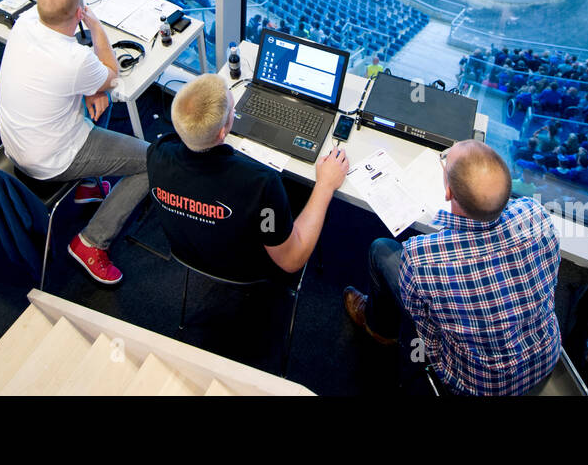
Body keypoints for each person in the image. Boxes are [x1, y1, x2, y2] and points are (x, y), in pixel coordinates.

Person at [344, 139, 561, 396]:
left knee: (381, 249)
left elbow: (425, 328)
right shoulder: (536, 214)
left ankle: (379, 329)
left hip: (477, 386)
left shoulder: (422, 257)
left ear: (448, 192)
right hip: (545, 357)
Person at [0, 0, 150, 285]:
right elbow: (112, 76)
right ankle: (92, 242)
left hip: (15, 145)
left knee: (100, 98)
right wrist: (96, 27)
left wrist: (92, 88)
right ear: (80, 12)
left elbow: (77, 78)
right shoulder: (76, 59)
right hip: (51, 161)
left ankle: (88, 185)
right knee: (151, 161)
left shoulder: (24, 24)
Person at [146, 74, 348, 281]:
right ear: (222, 133)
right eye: (232, 110)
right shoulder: (262, 185)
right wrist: (325, 185)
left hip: (188, 252)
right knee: (301, 191)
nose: (234, 112)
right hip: (245, 268)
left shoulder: (156, 152)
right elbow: (292, 261)